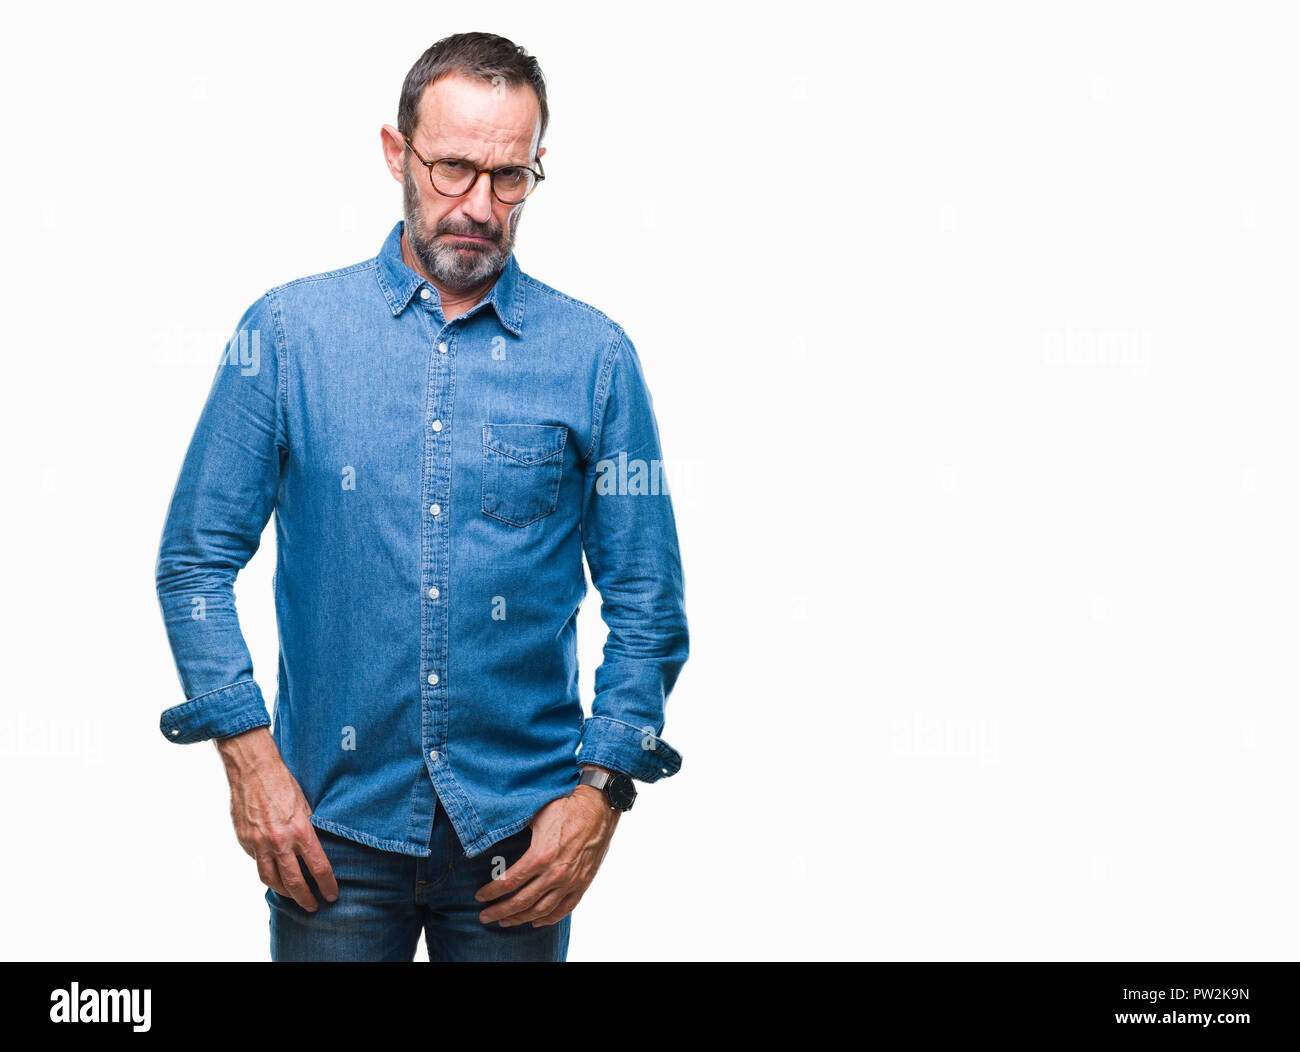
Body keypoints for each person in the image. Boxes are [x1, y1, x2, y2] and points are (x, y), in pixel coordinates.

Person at [154, 31, 688, 962]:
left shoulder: (595, 358)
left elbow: (647, 603)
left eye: (510, 178)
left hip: (519, 845)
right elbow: (194, 562)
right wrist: (250, 760)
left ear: (536, 169)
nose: (479, 206)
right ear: (397, 153)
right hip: (329, 833)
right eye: (451, 169)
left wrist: (601, 795)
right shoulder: (285, 336)